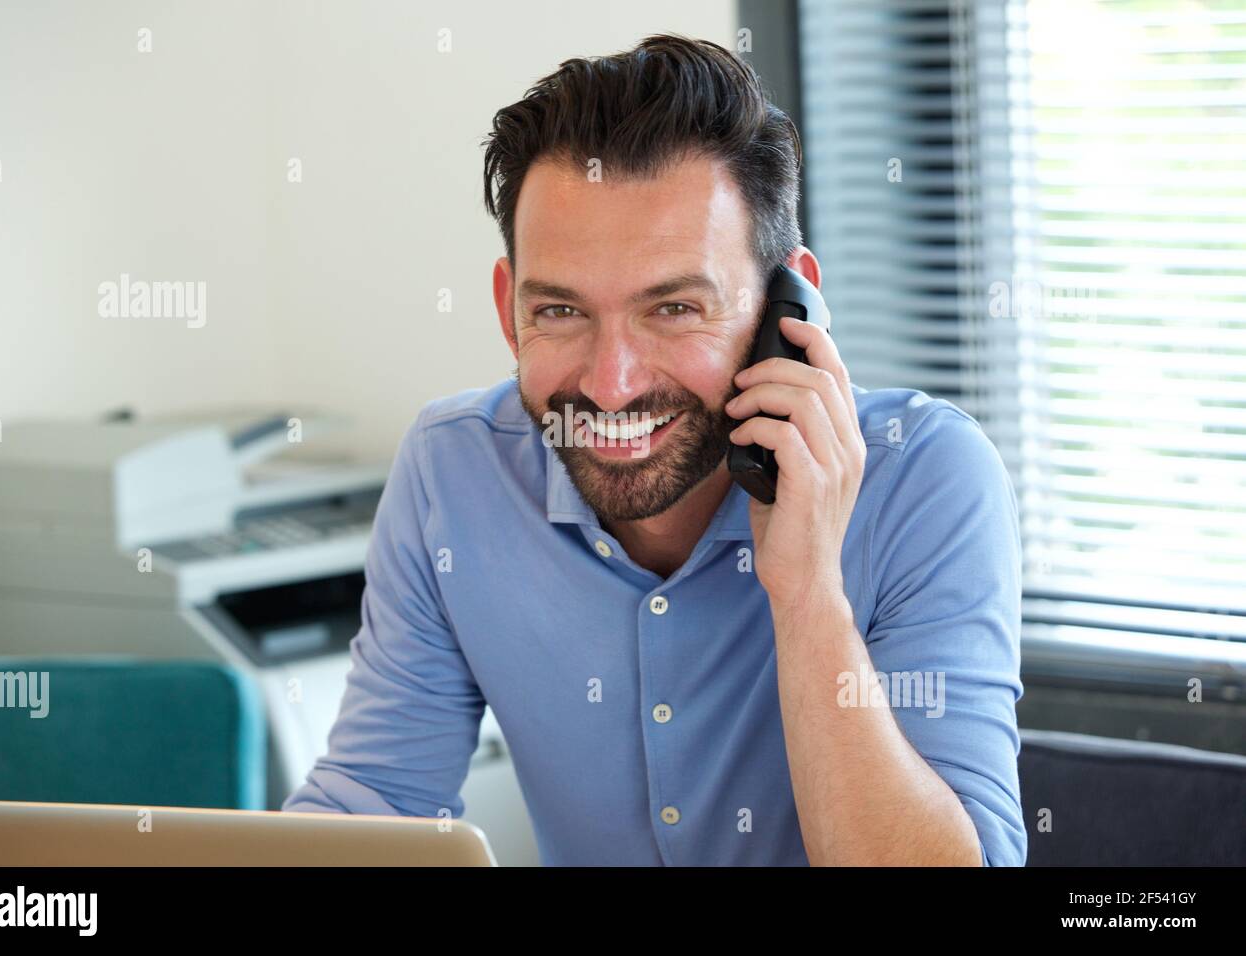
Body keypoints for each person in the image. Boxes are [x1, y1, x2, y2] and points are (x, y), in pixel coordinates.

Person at [283, 34, 1027, 866]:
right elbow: (374, 808)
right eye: (561, 312)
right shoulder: (451, 474)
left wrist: (810, 590)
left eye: (673, 309)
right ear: (508, 311)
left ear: (793, 308)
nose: (611, 384)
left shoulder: (927, 479)